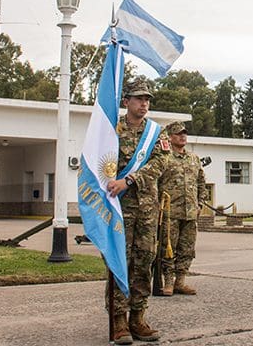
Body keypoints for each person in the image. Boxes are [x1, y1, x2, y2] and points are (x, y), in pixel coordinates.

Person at [105, 81, 170, 344]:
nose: (144, 103)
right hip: (119, 207)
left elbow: (161, 162)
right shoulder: (112, 129)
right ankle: (119, 321)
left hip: (146, 210)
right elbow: (100, 161)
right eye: (139, 98)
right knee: (119, 262)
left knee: (144, 262)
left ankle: (138, 318)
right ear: (126, 101)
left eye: (147, 99)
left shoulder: (156, 132)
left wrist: (130, 180)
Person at [156, 121, 207, 296]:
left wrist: (200, 204)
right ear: (170, 137)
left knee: (187, 249)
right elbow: (155, 183)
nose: (182, 136)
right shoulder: (164, 158)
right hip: (170, 212)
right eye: (178, 133)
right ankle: (168, 282)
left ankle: (180, 281)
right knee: (168, 248)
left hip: (190, 212)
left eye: (184, 133)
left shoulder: (194, 158)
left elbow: (201, 182)